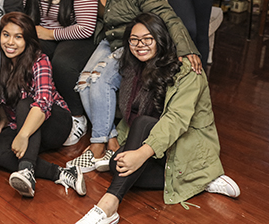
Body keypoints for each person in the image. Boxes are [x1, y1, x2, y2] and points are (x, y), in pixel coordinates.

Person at [75, 13, 240, 224]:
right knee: (118, 165)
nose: (140, 44)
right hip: (158, 146)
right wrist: (120, 146)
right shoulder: (135, 68)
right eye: (134, 39)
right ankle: (197, 179)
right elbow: (130, 118)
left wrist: (141, 154)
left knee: (140, 133)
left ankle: (108, 205)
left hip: (183, 143)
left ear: (160, 39)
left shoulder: (187, 71)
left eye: (148, 38)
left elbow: (175, 120)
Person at [66, 0, 201, 175]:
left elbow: (165, 14)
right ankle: (112, 140)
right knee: (84, 82)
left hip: (132, 41)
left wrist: (186, 47)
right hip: (110, 41)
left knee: (100, 80)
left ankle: (96, 146)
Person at [0, 12, 85, 198]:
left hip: (55, 123)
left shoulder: (39, 61)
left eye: (18, 37)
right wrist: (2, 116)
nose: (10, 42)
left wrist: (23, 135)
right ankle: (62, 173)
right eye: (6, 35)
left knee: (27, 103)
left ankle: (26, 170)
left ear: (28, 40)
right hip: (19, 123)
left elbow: (42, 104)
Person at [22, 0, 98, 147]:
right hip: (43, 34)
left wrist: (50, 33)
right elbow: (27, 15)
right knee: (32, 57)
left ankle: (77, 116)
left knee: (61, 64)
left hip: (77, 36)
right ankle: (38, 110)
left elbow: (86, 28)